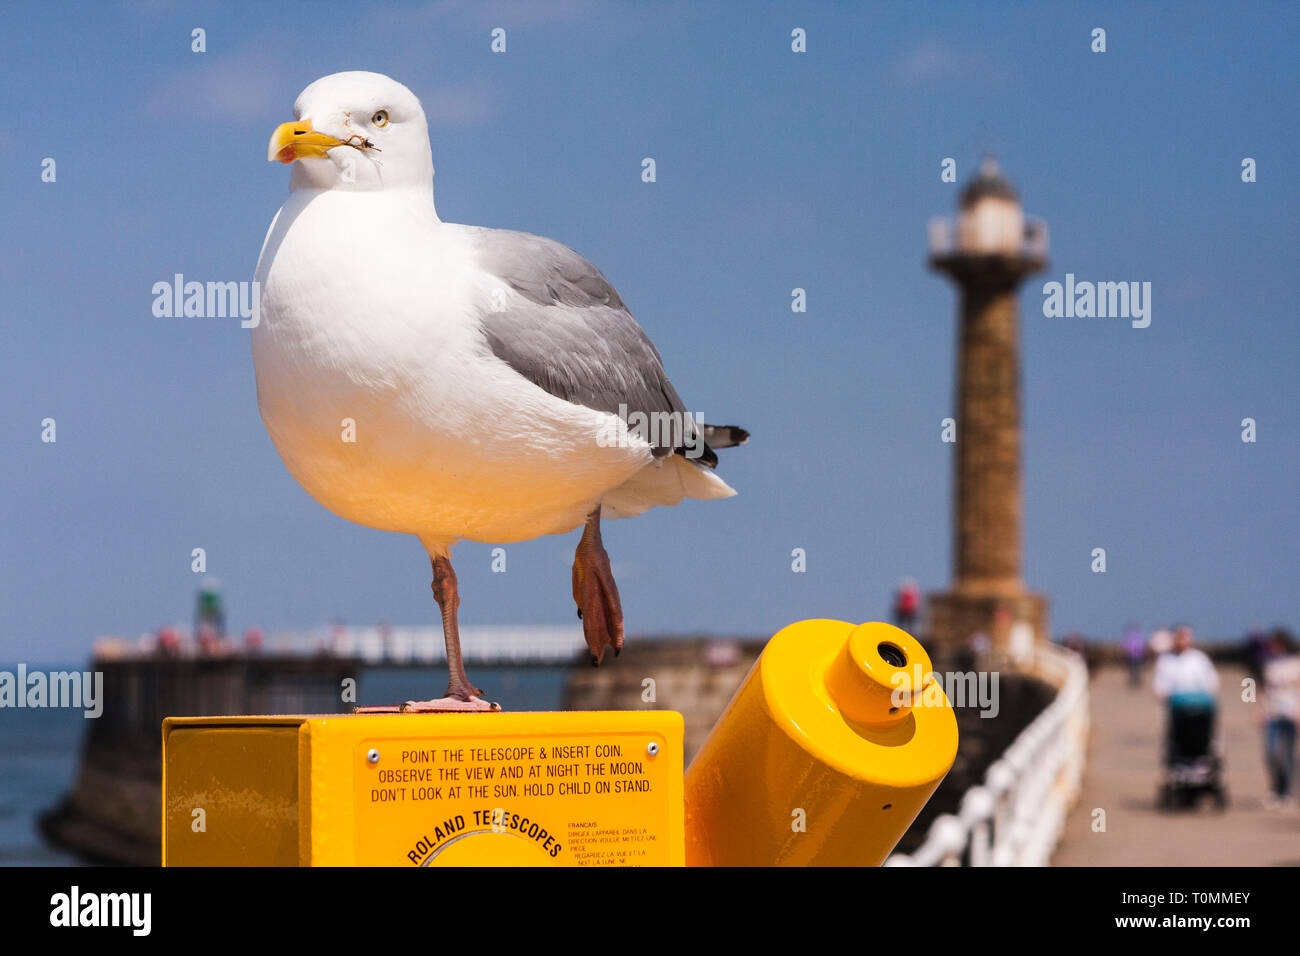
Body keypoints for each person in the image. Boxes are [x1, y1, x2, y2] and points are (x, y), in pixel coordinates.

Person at [1152, 625, 1219, 766]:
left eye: (1184, 637)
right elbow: (1159, 686)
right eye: (1179, 638)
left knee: (1207, 734)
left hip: (1201, 708)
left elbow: (1212, 682)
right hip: (1177, 708)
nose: (1181, 641)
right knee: (1174, 737)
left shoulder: (1199, 658)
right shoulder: (1166, 661)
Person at [1260, 630, 1300, 809]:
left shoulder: (1296, 664)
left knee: (1288, 755)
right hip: (1272, 714)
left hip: (1292, 714)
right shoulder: (1268, 664)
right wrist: (1256, 707)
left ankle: (1287, 793)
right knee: (1271, 753)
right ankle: (1275, 789)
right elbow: (1251, 684)